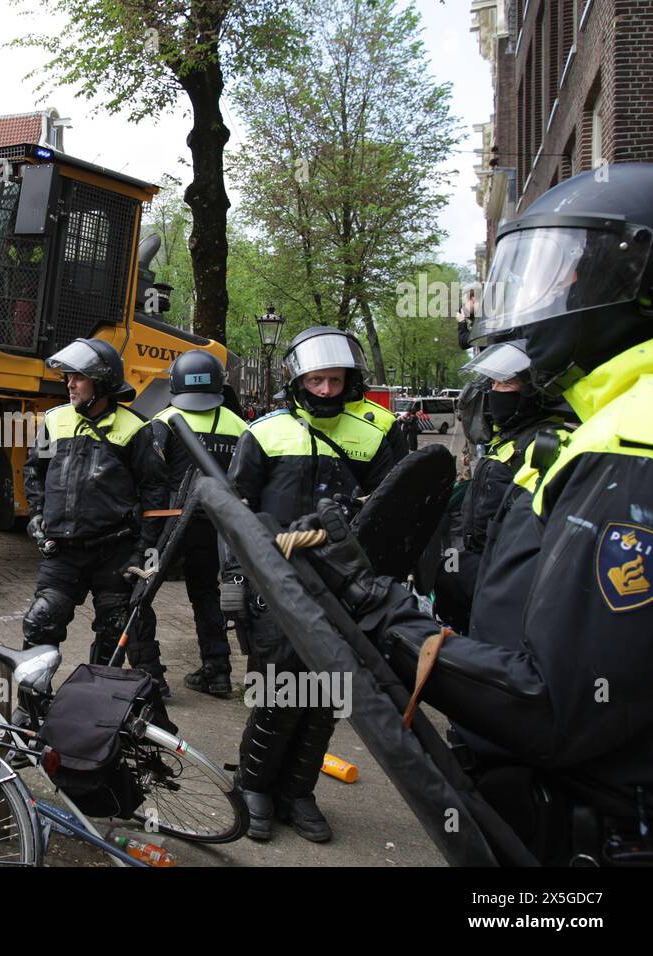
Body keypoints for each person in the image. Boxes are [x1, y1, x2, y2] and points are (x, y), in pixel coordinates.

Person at [297, 163, 653, 864]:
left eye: (568, 272)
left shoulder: (631, 440)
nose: (545, 294)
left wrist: (377, 606)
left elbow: (553, 706)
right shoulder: (594, 421)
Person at [228, 326, 407, 843]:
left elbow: (393, 513)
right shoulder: (264, 432)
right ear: (297, 379)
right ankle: (255, 786)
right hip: (278, 583)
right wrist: (234, 583)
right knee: (279, 690)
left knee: (328, 695)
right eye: (317, 380)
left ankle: (298, 791)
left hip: (345, 587)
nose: (326, 390)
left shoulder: (379, 430)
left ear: (351, 380)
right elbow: (234, 513)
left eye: (335, 380)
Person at [22, 337, 171, 695]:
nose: (70, 384)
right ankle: (30, 715)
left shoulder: (136, 427)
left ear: (102, 382)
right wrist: (37, 513)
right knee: (40, 623)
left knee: (114, 636)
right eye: (68, 377)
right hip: (63, 553)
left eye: (79, 378)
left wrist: (143, 551)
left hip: (114, 555)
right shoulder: (55, 420)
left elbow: (155, 493)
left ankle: (94, 715)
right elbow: (33, 471)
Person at [433, 341, 572, 633]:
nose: (494, 392)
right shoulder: (507, 438)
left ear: (538, 390)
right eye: (494, 382)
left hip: (503, 581)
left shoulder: (549, 444)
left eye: (506, 383)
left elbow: (534, 532)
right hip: (480, 563)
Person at [150, 350, 249, 697]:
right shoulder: (241, 426)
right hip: (218, 526)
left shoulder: (164, 420)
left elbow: (152, 477)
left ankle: (152, 679)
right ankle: (218, 670)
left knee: (140, 593)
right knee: (206, 593)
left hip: (171, 523)